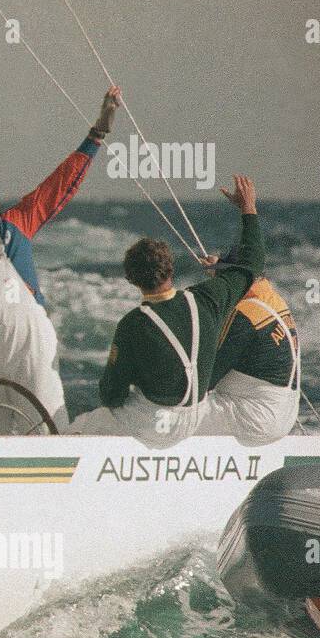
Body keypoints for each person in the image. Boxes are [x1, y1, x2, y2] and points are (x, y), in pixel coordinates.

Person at [0, 87, 121, 432]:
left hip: (35, 351)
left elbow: (60, 185)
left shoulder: (16, 226)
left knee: (48, 435)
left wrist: (99, 132)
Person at [69, 174, 265, 448]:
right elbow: (253, 263)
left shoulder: (133, 324)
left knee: (80, 426)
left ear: (131, 280)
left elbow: (112, 394)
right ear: (171, 269)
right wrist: (248, 208)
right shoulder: (208, 299)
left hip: (154, 422)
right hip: (195, 418)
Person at [193, 263, 300, 445]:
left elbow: (205, 379)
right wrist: (221, 266)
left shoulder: (246, 314)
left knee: (163, 414)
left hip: (253, 420)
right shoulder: (272, 299)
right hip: (283, 417)